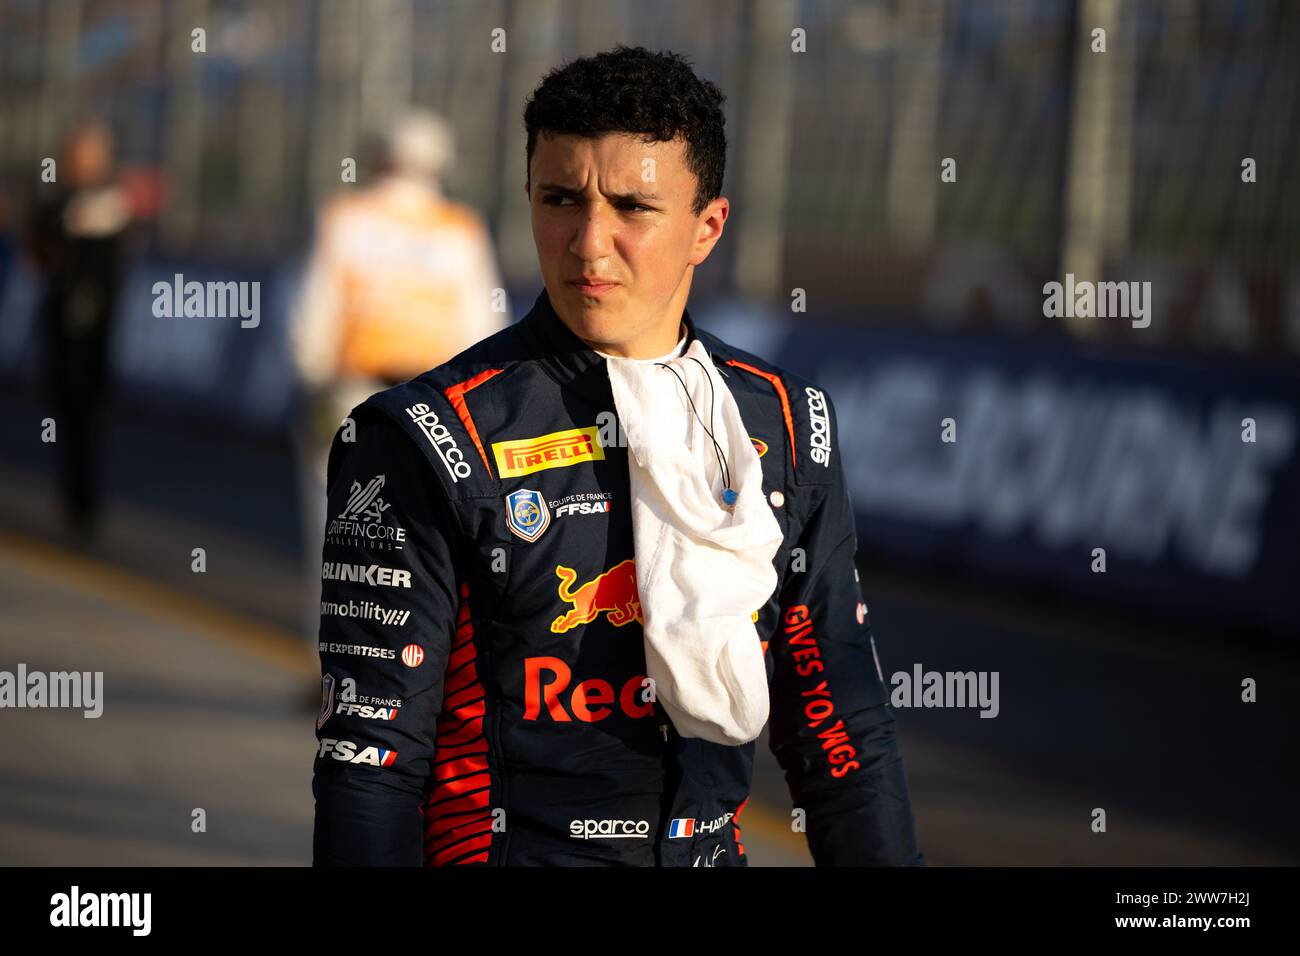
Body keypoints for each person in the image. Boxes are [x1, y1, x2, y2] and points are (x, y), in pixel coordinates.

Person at [312, 46, 923, 866]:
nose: (589, 244)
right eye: (561, 200)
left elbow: (840, 725)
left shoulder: (784, 422)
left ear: (708, 227)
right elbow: (369, 763)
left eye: (633, 208)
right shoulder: (420, 437)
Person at [290, 110, 507, 655]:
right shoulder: (461, 230)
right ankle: (416, 667)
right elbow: (482, 330)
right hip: (432, 405)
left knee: (337, 530)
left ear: (379, 158)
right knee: (427, 540)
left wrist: (313, 379)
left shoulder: (346, 216)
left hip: (354, 394)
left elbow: (311, 318)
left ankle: (336, 667)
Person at [25, 121, 131, 539]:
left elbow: (115, 263)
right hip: (61, 330)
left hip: (96, 333)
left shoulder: (111, 203)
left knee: (89, 415)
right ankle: (72, 498)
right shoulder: (56, 203)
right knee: (64, 409)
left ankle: (85, 503)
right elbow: (37, 252)